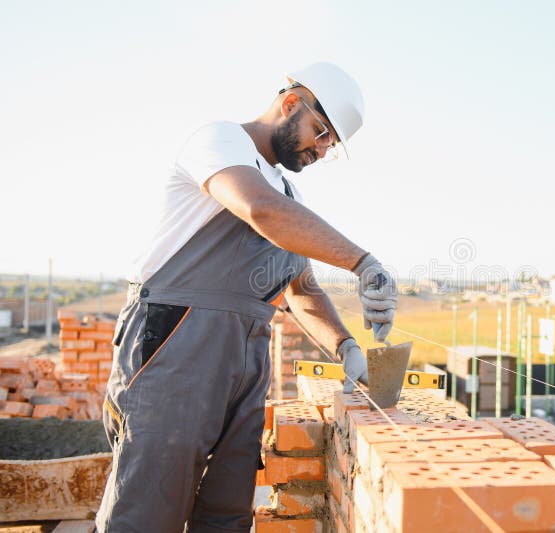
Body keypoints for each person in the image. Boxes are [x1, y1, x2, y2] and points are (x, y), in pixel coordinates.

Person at [96, 62, 396, 532]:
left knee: (225, 512)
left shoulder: (288, 195)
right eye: (320, 132)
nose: (320, 149)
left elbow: (302, 289)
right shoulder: (220, 142)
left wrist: (345, 346)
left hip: (244, 362)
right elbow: (259, 209)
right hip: (175, 345)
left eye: (330, 145)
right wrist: (362, 262)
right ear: (291, 103)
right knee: (147, 508)